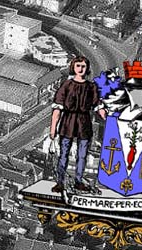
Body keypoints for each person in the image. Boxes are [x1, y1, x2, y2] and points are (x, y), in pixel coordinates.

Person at [50, 56, 108, 193]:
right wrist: (53, 128)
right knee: (63, 153)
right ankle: (60, 182)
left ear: (87, 68)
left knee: (82, 155)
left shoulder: (91, 86)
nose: (81, 69)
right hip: (68, 121)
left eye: (83, 66)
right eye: (78, 66)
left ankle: (78, 181)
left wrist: (107, 116)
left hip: (84, 122)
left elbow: (97, 106)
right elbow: (57, 108)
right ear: (73, 68)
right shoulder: (67, 85)